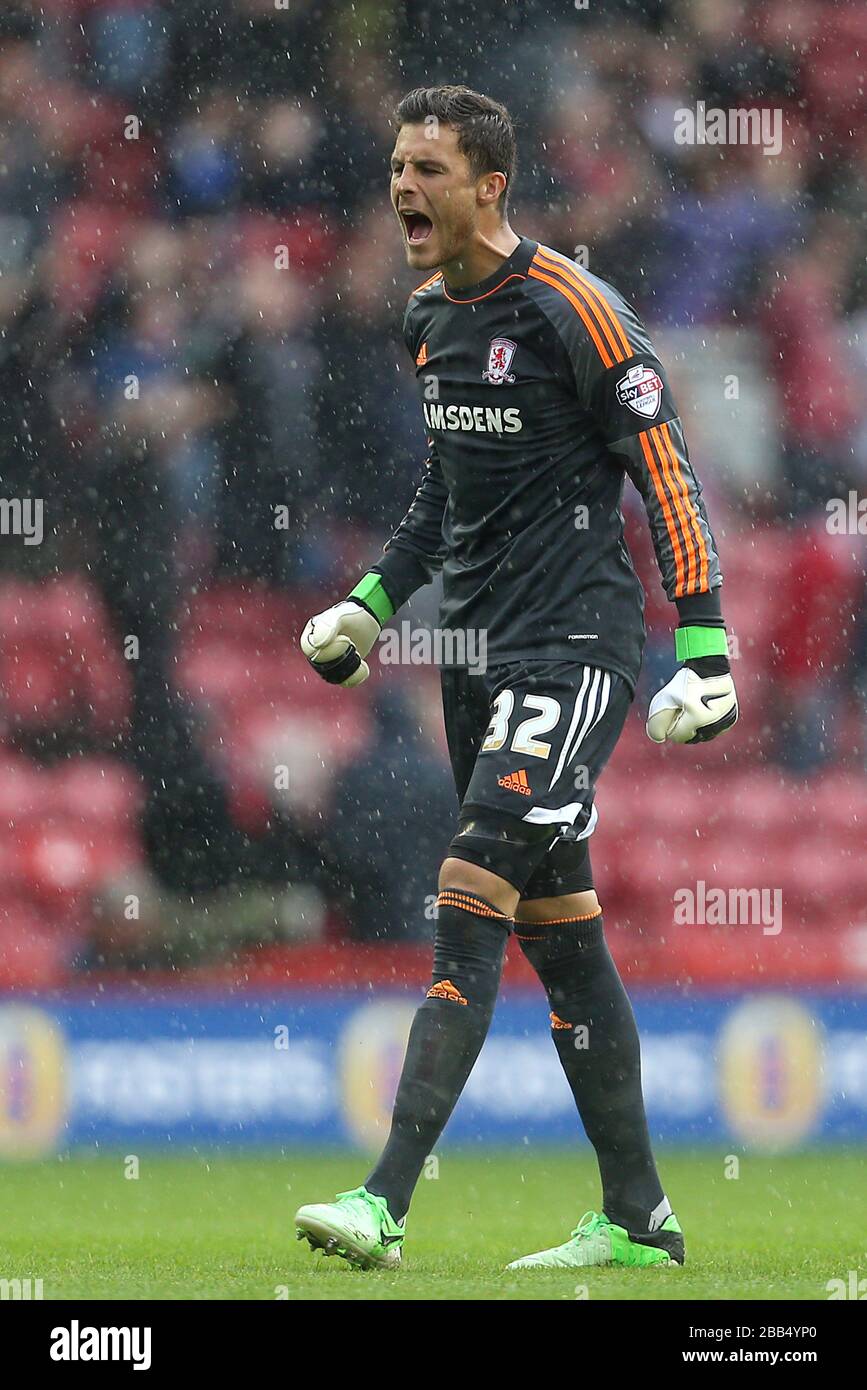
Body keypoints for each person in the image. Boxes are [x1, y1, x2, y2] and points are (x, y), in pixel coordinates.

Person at [295, 85, 738, 1272]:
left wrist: (703, 642)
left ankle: (384, 1199)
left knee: (470, 880)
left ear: (490, 186)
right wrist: (371, 603)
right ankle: (639, 1215)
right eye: (396, 166)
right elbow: (446, 493)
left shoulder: (572, 310)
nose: (402, 188)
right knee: (563, 932)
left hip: (577, 650)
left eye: (427, 170)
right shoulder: (430, 316)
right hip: (475, 663)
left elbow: (667, 465)